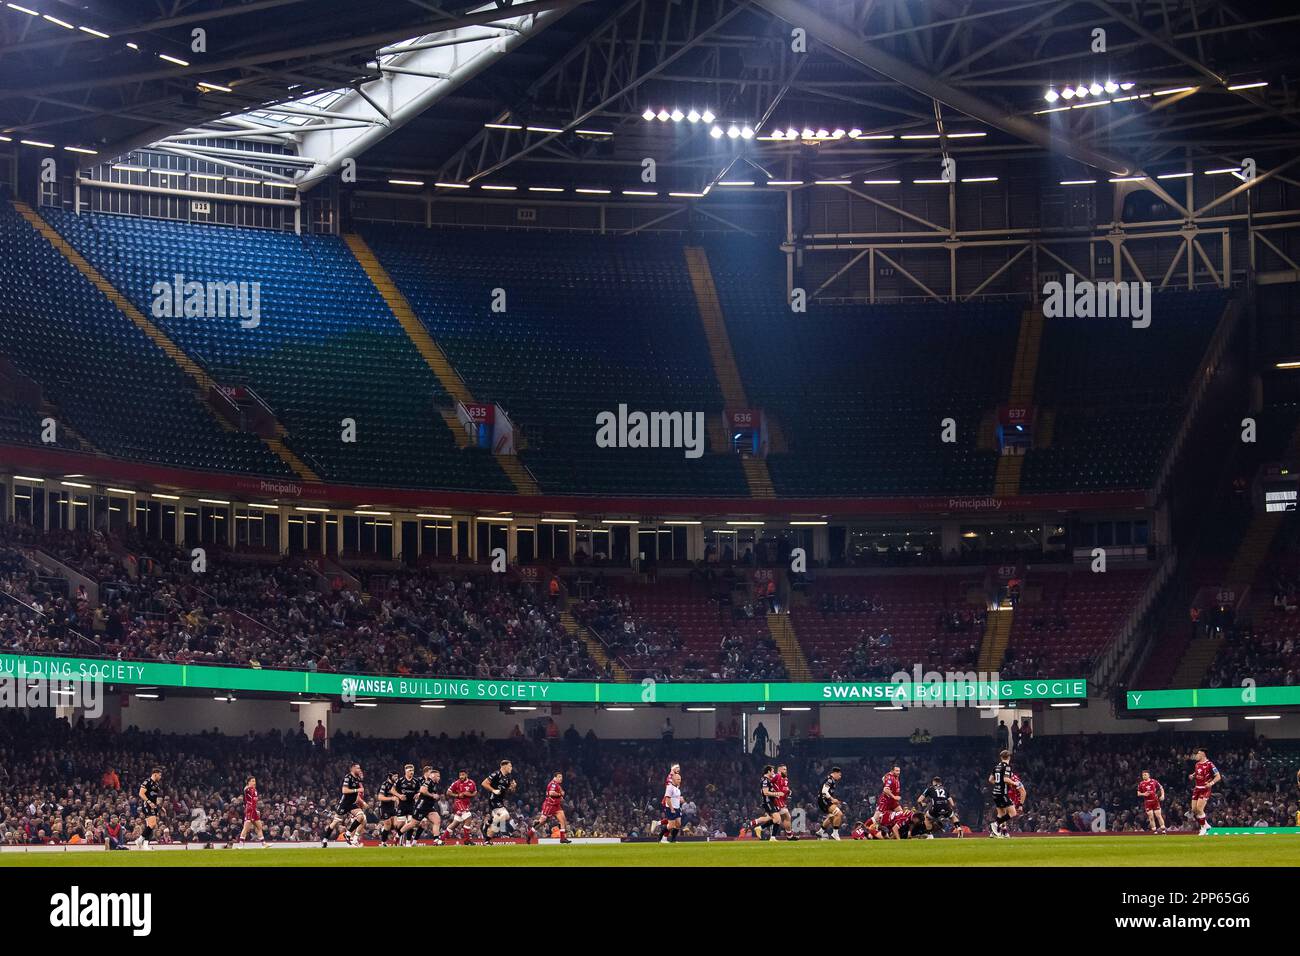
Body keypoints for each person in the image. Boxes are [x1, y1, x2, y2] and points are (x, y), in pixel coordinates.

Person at [321, 762, 367, 847]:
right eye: (358, 768)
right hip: (344, 804)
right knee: (335, 822)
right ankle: (325, 839)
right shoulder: (348, 777)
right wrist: (357, 790)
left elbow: (357, 791)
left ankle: (348, 834)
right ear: (352, 768)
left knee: (361, 817)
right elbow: (344, 791)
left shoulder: (357, 778)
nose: (359, 770)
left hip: (352, 804)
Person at [404, 766, 444, 845]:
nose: (432, 774)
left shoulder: (432, 782)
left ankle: (415, 841)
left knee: (424, 824)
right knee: (413, 824)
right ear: (426, 772)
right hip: (416, 804)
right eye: (431, 772)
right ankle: (407, 842)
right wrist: (418, 793)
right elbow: (412, 789)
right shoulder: (418, 780)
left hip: (426, 805)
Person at [481, 759, 517, 842]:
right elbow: (484, 783)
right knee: (505, 815)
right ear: (504, 766)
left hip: (500, 801)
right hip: (493, 800)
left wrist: (513, 787)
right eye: (510, 766)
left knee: (500, 818)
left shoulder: (507, 778)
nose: (511, 768)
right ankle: (488, 825)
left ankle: (487, 834)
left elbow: (509, 792)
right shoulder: (496, 774)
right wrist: (493, 790)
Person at [1189, 748, 1221, 835]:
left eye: (1198, 754)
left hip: (1205, 789)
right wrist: (1193, 775)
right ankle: (1206, 825)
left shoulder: (1210, 764)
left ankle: (1203, 828)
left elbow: (1218, 776)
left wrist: (1211, 783)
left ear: (1203, 754)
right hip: (1197, 788)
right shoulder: (1197, 764)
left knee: (1199, 809)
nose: (1196, 756)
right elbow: (1197, 773)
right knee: (1194, 810)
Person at [535, 771, 571, 844]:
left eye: (562, 777)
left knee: (563, 820)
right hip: (550, 805)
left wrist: (561, 796)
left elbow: (560, 793)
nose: (561, 778)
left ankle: (562, 838)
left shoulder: (557, 785)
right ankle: (530, 832)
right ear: (555, 777)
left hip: (557, 806)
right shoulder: (553, 784)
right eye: (559, 777)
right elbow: (551, 793)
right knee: (542, 822)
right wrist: (560, 794)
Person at [444, 769, 478, 845]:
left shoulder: (471, 782)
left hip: (466, 804)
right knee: (468, 818)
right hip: (458, 803)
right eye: (460, 775)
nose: (461, 776)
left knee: (455, 823)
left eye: (463, 775)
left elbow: (475, 792)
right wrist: (457, 795)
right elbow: (448, 792)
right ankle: (467, 840)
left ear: (466, 775)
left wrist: (467, 794)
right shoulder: (456, 783)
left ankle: (441, 839)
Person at [392, 764, 422, 846]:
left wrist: (419, 794)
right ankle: (398, 837)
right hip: (402, 805)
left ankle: (408, 842)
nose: (411, 772)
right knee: (400, 824)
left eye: (412, 771)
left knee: (411, 823)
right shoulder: (400, 780)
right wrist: (399, 796)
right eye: (409, 771)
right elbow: (392, 790)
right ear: (405, 771)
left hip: (412, 805)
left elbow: (421, 791)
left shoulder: (416, 781)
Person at [136, 766, 164, 850]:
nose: (160, 777)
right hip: (147, 805)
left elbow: (155, 798)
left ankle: (145, 844)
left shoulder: (156, 784)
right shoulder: (147, 782)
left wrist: (161, 807)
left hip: (153, 805)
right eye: (159, 775)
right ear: (155, 774)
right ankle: (140, 840)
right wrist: (149, 802)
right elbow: (141, 793)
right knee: (152, 824)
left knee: (151, 825)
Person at [989, 750, 1014, 838]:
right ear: (1009, 757)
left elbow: (990, 779)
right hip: (1003, 793)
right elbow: (1006, 779)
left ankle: (998, 832)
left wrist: (998, 784)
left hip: (995, 792)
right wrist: (1015, 783)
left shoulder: (996, 767)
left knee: (1001, 813)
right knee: (1013, 813)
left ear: (1001, 757)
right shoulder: (1007, 767)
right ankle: (995, 824)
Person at [238, 775, 267, 846]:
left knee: (259, 827)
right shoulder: (247, 789)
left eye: (255, 781)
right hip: (249, 810)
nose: (254, 782)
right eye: (252, 781)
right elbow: (248, 797)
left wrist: (256, 809)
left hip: (254, 810)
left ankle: (264, 843)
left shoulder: (254, 789)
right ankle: (241, 844)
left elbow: (254, 801)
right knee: (246, 828)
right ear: (248, 782)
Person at [817, 766, 844, 840]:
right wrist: (832, 799)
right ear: (835, 773)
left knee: (832, 816)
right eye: (839, 775)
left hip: (823, 800)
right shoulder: (830, 780)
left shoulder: (831, 780)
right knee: (839, 814)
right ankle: (835, 833)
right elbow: (824, 791)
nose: (840, 777)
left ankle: (820, 831)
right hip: (824, 800)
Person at [660, 768, 684, 844]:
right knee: (670, 826)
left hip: (677, 808)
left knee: (678, 824)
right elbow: (667, 799)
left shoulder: (677, 788)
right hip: (671, 808)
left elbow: (676, 797)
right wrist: (671, 808)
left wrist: (680, 799)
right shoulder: (670, 787)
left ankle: (673, 839)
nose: (679, 781)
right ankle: (662, 838)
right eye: (678, 779)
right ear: (673, 780)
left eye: (680, 779)